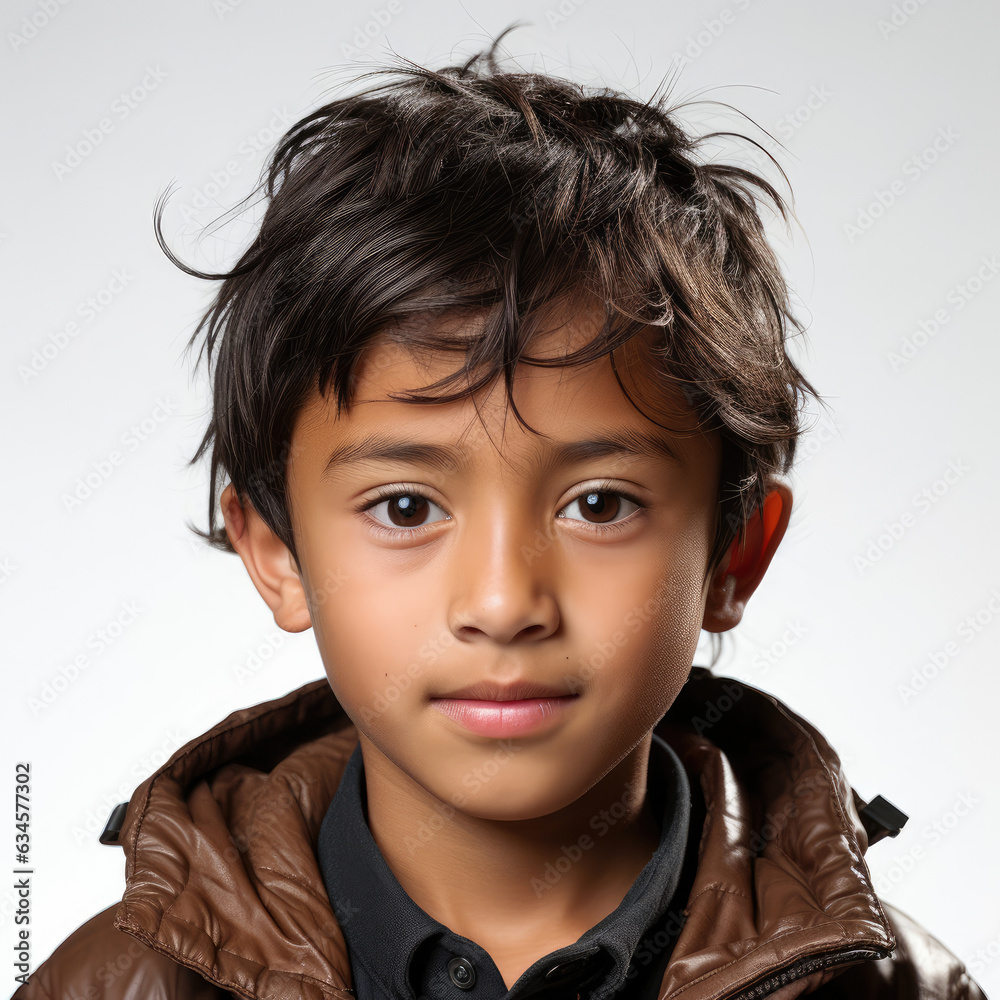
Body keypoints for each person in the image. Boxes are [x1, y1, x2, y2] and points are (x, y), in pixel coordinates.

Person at [14, 27, 986, 1000]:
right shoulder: (115, 986)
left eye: (599, 505)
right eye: (405, 507)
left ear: (734, 554)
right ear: (275, 551)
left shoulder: (898, 991)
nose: (502, 602)